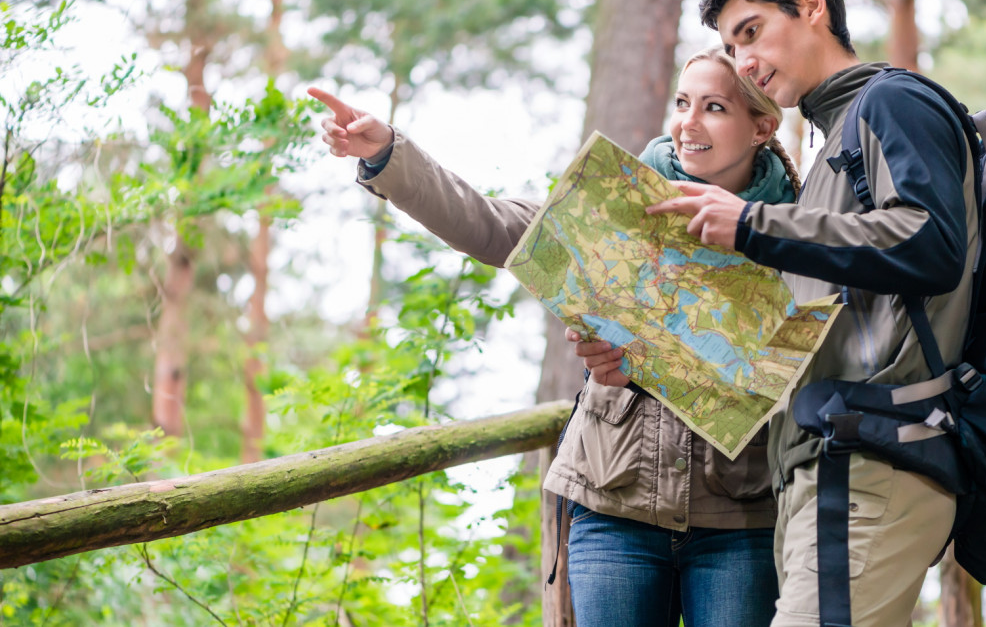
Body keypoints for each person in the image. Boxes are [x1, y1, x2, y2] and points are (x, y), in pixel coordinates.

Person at [308, 46, 802, 627]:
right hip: (612, 507)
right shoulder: (618, 206)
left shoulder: (796, 232)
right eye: (682, 102)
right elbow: (492, 225)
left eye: (714, 107)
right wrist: (390, 155)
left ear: (762, 127)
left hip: (740, 523)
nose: (688, 122)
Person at [580, 0, 980, 626]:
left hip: (873, 463)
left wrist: (754, 224)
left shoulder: (894, 103)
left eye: (752, 32)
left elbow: (930, 242)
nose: (745, 63)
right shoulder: (834, 142)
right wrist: (644, 359)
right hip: (823, 471)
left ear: (813, 7)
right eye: (733, 48)